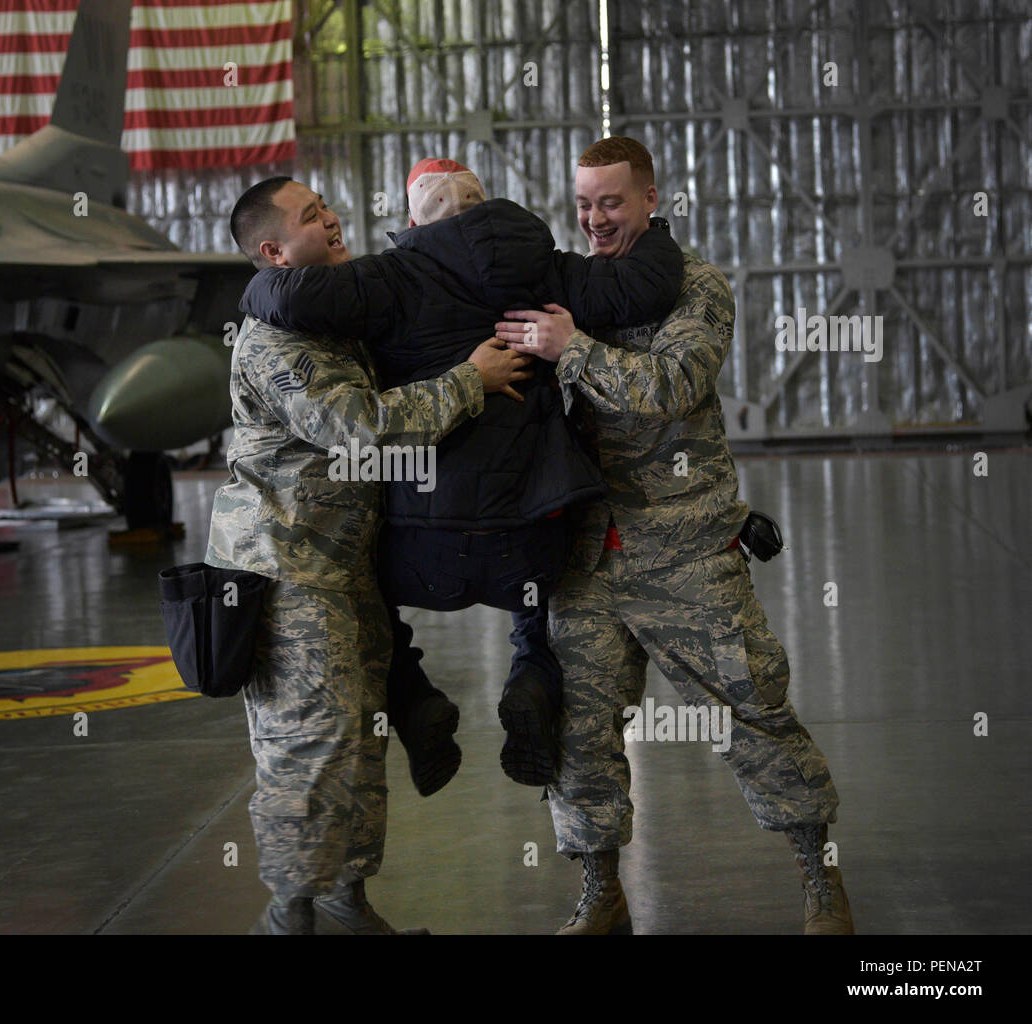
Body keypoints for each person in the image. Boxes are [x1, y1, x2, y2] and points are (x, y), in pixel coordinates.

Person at [496, 136, 853, 935]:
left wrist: (573, 350)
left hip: (686, 551)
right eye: (583, 203)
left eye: (611, 202)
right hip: (585, 558)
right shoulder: (571, 292)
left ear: (652, 198)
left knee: (753, 711)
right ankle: (600, 893)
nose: (594, 219)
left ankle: (819, 880)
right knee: (579, 733)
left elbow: (673, 384)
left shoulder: (698, 287)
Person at [240, 158, 683, 796]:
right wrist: (657, 228)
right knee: (553, 585)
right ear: (486, 208)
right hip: (525, 544)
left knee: (359, 581)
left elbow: (291, 295)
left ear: (414, 222)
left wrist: (252, 287)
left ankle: (414, 698)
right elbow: (644, 287)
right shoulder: (543, 267)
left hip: (417, 548)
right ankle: (531, 674)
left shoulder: (388, 277)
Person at [205, 175, 531, 935]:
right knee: (307, 751)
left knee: (355, 738)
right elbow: (361, 428)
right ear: (273, 251)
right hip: (287, 572)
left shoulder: (332, 315)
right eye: (313, 217)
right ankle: (287, 918)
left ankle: (345, 907)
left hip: (342, 568)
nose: (333, 220)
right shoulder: (279, 339)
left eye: (327, 207)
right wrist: (470, 381)